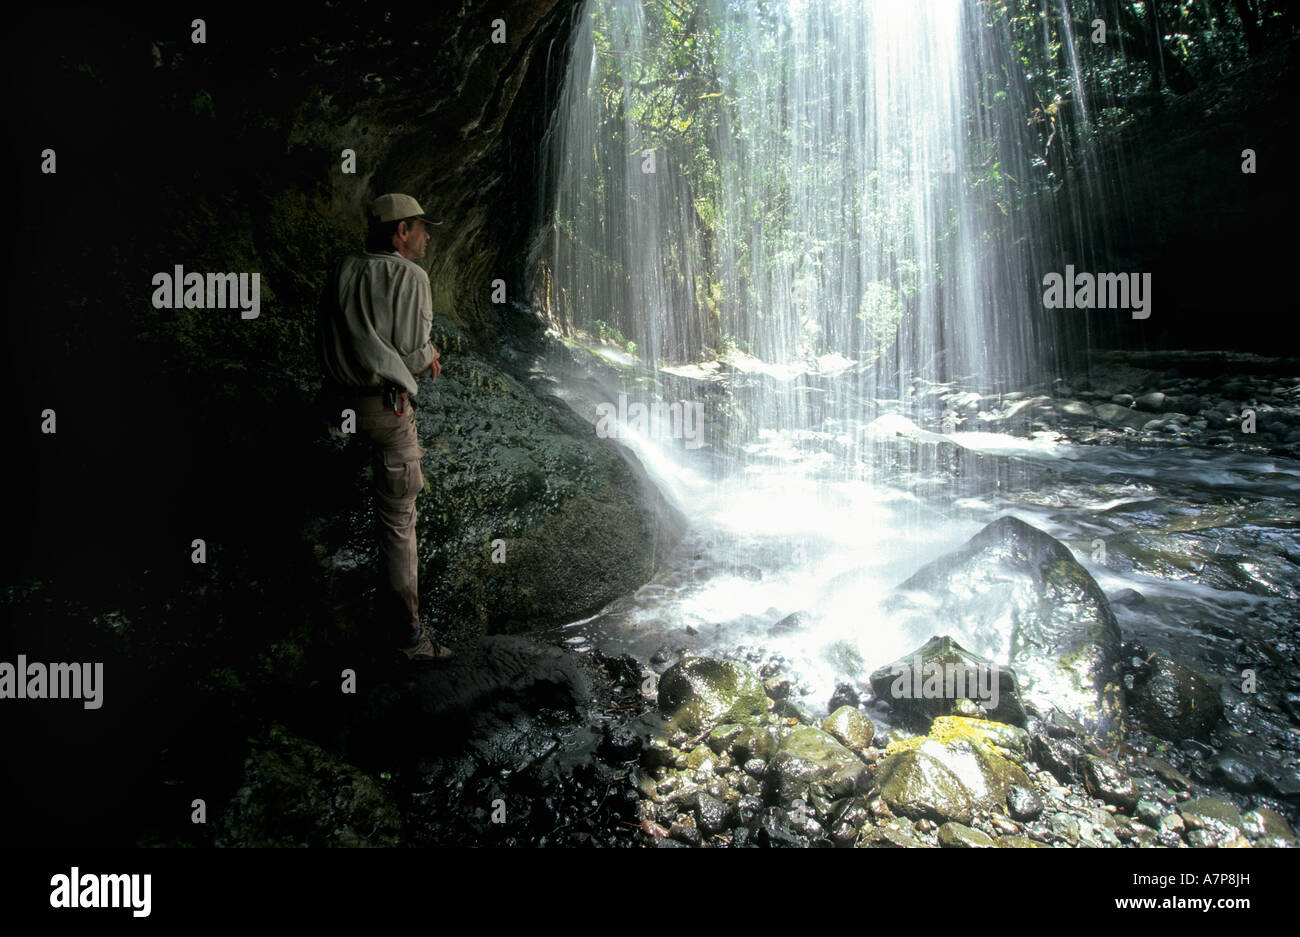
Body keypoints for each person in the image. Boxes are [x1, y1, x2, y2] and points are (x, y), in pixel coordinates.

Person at [317, 193, 453, 661]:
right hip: (384, 410)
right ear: (401, 232)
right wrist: (429, 357)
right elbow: (413, 354)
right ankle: (408, 637)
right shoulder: (410, 275)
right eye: (420, 227)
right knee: (399, 522)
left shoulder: (343, 267)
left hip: (337, 407)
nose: (427, 235)